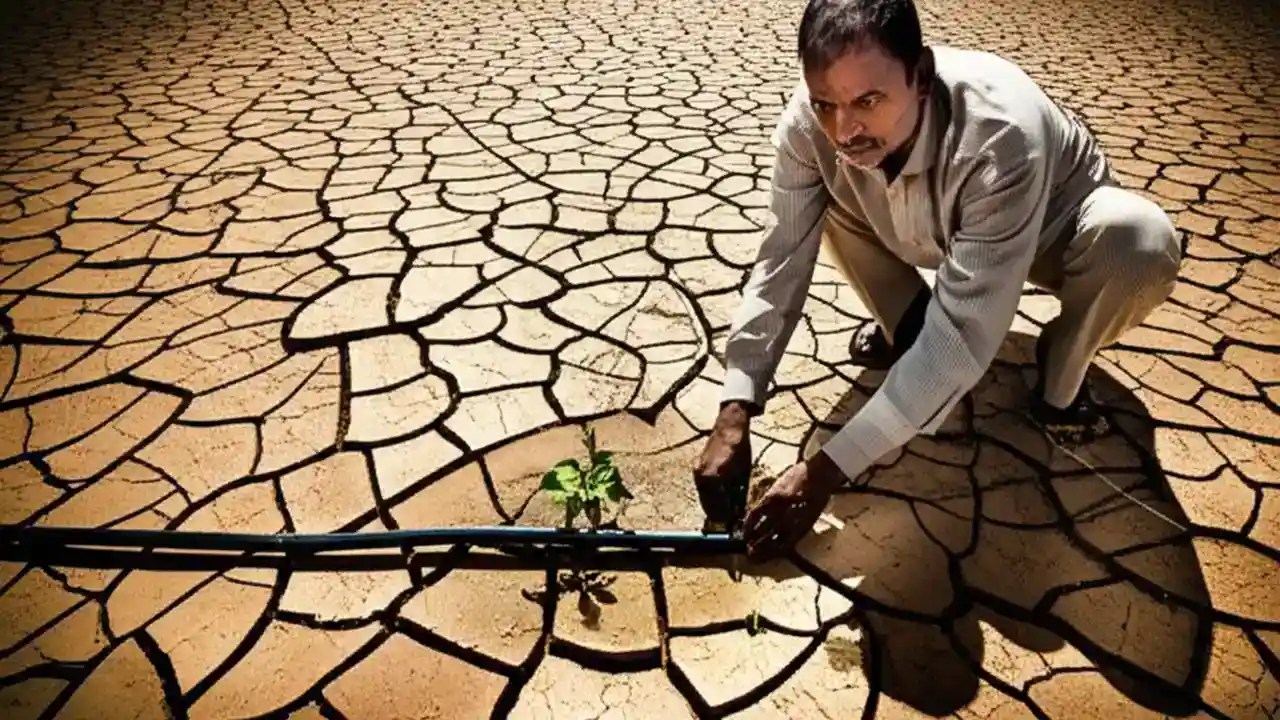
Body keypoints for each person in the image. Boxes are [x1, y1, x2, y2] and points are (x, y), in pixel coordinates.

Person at [692, 0, 1181, 560]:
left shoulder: (1001, 135)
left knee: (1139, 243)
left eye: (868, 101)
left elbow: (964, 341)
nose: (844, 129)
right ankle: (908, 326)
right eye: (825, 103)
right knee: (821, 205)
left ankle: (1060, 380)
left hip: (1051, 233)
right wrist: (737, 404)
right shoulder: (811, 126)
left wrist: (825, 471)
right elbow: (782, 255)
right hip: (925, 226)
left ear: (921, 76)